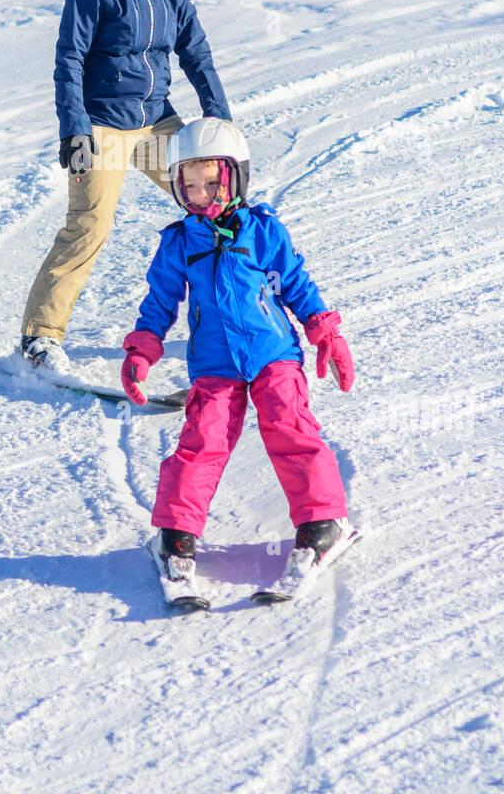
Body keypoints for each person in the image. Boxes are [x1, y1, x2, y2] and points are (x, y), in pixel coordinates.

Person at [119, 117, 355, 572]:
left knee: (290, 428)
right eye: (190, 186)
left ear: (236, 177)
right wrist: (143, 348)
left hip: (274, 354)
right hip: (214, 362)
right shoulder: (178, 242)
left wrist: (325, 331)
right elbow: (160, 301)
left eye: (212, 183)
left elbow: (297, 285)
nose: (201, 195)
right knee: (202, 440)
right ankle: (176, 533)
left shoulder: (264, 231)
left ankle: (324, 520)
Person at [21, 0, 232, 373]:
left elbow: (196, 54)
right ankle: (39, 338)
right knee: (90, 224)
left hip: (157, 121)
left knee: (221, 207)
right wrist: (74, 129)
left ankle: (232, 316)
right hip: (102, 124)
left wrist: (218, 117)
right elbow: (68, 61)